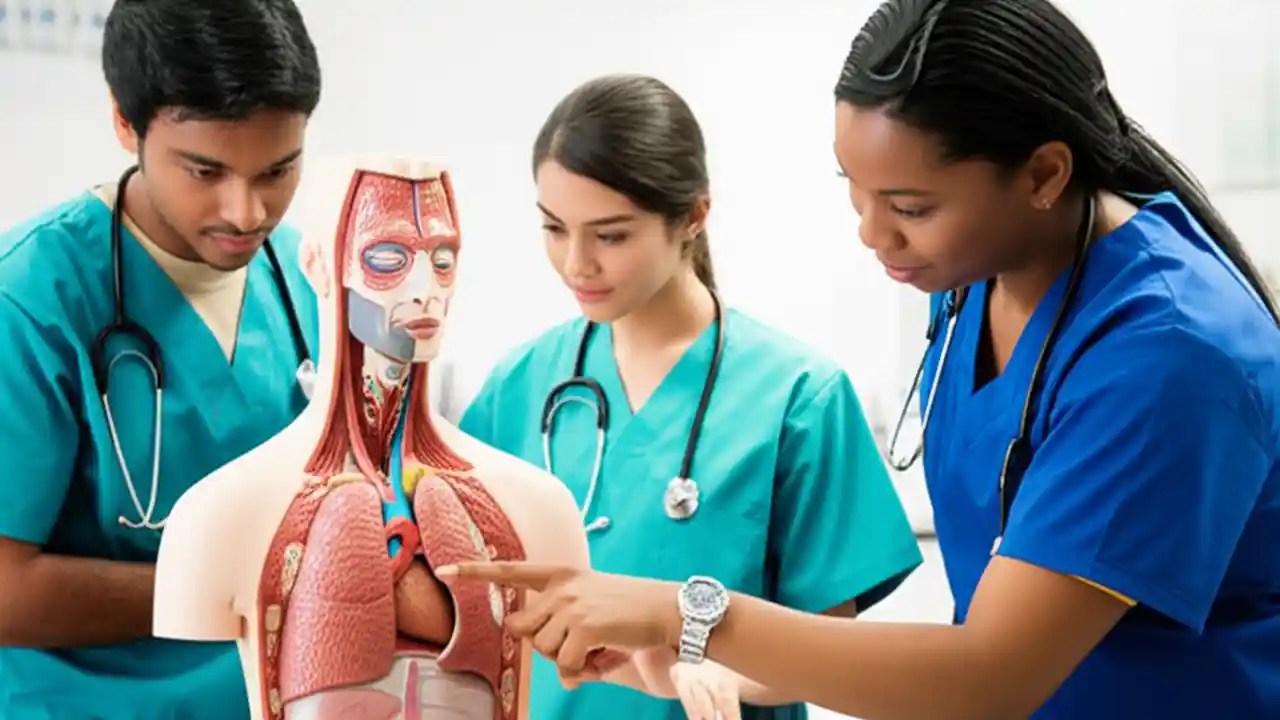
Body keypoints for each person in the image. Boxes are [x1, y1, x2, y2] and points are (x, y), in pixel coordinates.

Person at [438, 1, 1280, 719]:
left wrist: (682, 613)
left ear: (1044, 173)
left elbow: (991, 672)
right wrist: (676, 657)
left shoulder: (1168, 355)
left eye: (909, 206)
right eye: (854, 190)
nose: (871, 235)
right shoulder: (979, 278)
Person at [455, 73, 923, 720]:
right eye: (555, 228)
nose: (575, 263)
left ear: (694, 217)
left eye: (611, 235)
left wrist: (728, 679)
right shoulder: (520, 386)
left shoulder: (799, 398)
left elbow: (828, 651)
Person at [0, 1, 321, 718]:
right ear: (124, 122)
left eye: (278, 170)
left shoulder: (302, 282)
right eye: (204, 171)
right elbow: (5, 591)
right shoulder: (30, 299)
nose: (246, 213)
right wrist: (243, 586)